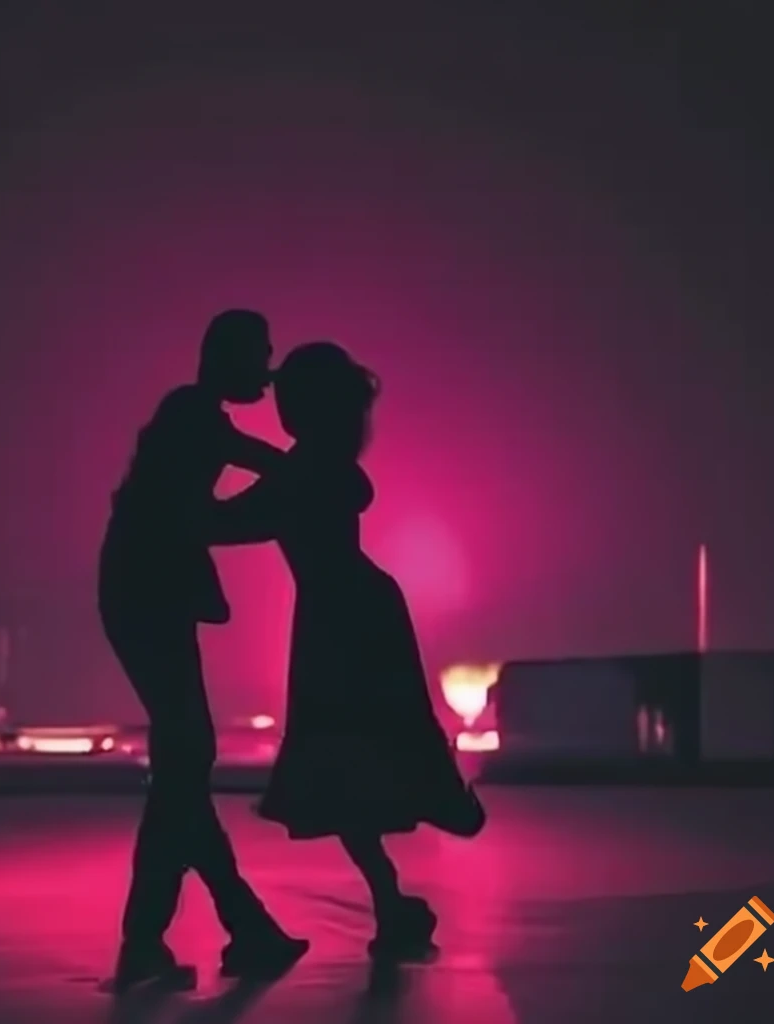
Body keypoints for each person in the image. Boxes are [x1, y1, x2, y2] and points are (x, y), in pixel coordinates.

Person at [203, 341, 486, 960]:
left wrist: (201, 466)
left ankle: (402, 880)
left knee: (339, 760)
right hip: (364, 606)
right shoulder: (319, 466)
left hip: (336, 618)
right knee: (363, 750)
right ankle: (400, 885)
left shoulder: (298, 473)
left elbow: (223, 523)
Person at [98, 310, 309, 990]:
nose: (268, 369)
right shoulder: (197, 417)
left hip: (145, 597)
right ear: (232, 359)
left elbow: (223, 502)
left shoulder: (191, 415)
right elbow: (249, 481)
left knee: (183, 768)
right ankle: (223, 925)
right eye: (263, 357)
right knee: (186, 763)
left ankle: (172, 936)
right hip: (149, 599)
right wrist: (305, 474)